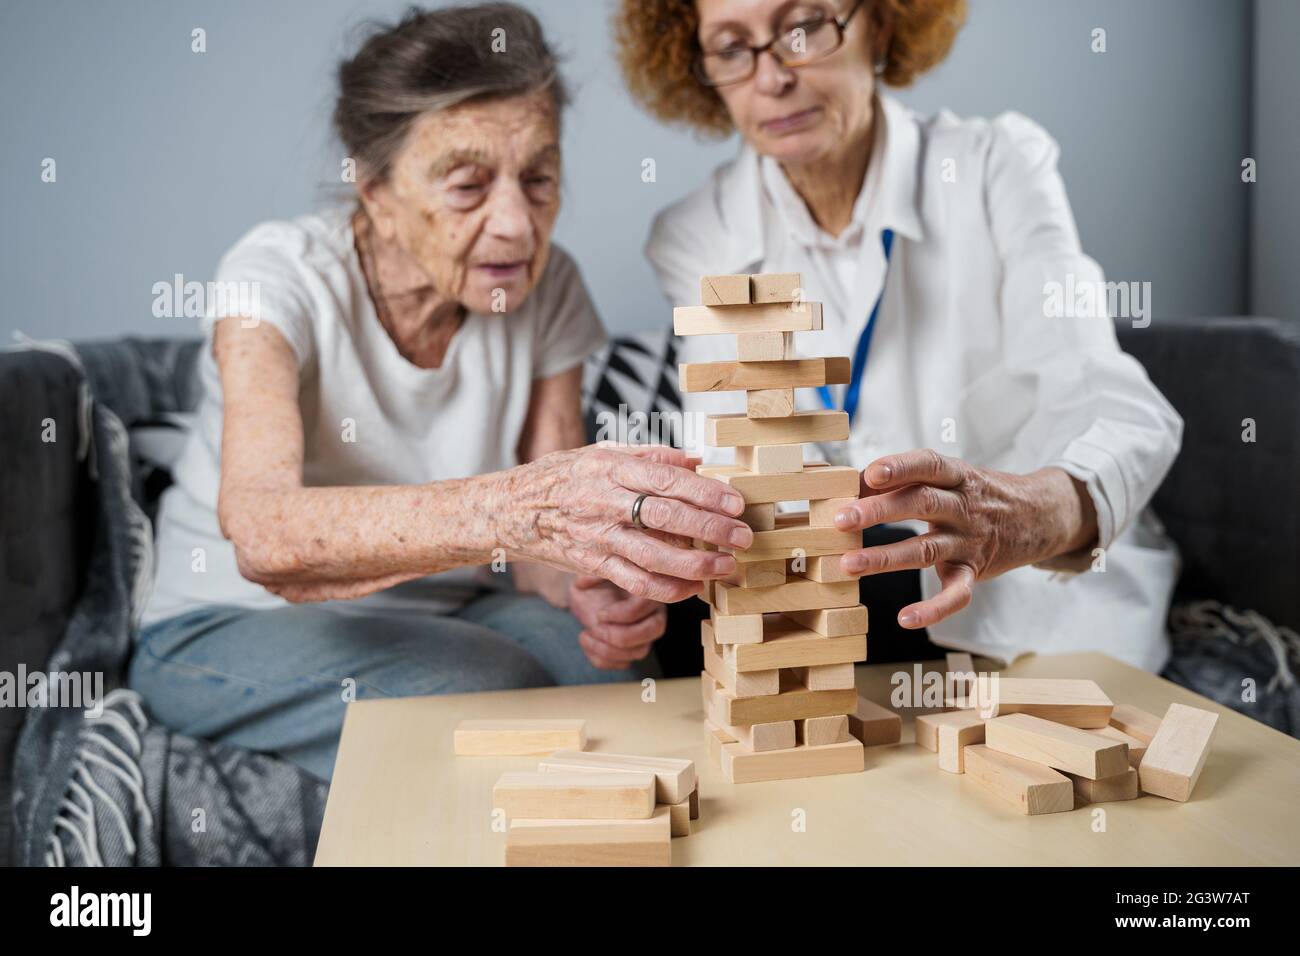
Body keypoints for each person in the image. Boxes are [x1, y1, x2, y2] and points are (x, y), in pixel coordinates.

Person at [131, 4, 752, 782]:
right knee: (480, 696)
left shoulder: (549, 285)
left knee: (619, 683)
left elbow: (541, 555)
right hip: (225, 620)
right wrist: (522, 509)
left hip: (454, 606)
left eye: (539, 179)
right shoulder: (274, 278)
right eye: (467, 186)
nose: (516, 227)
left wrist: (590, 585)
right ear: (376, 192)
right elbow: (264, 534)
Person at [618, 0, 1183, 668]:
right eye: (733, 47)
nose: (772, 78)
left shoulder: (996, 164)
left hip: (1032, 595)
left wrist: (1032, 512)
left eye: (804, 29)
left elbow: (1103, 395)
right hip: (853, 600)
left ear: (880, 25)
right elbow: (733, 456)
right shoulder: (698, 233)